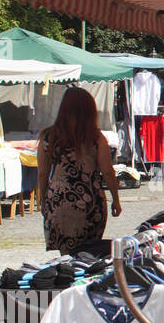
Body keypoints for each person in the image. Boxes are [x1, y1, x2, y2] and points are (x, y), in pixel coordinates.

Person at [37, 87, 122, 254]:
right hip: (89, 200)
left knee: (66, 255)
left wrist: (43, 200)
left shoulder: (48, 137)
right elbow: (107, 171)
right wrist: (116, 199)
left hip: (59, 199)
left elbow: (42, 173)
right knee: (90, 253)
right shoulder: (96, 138)